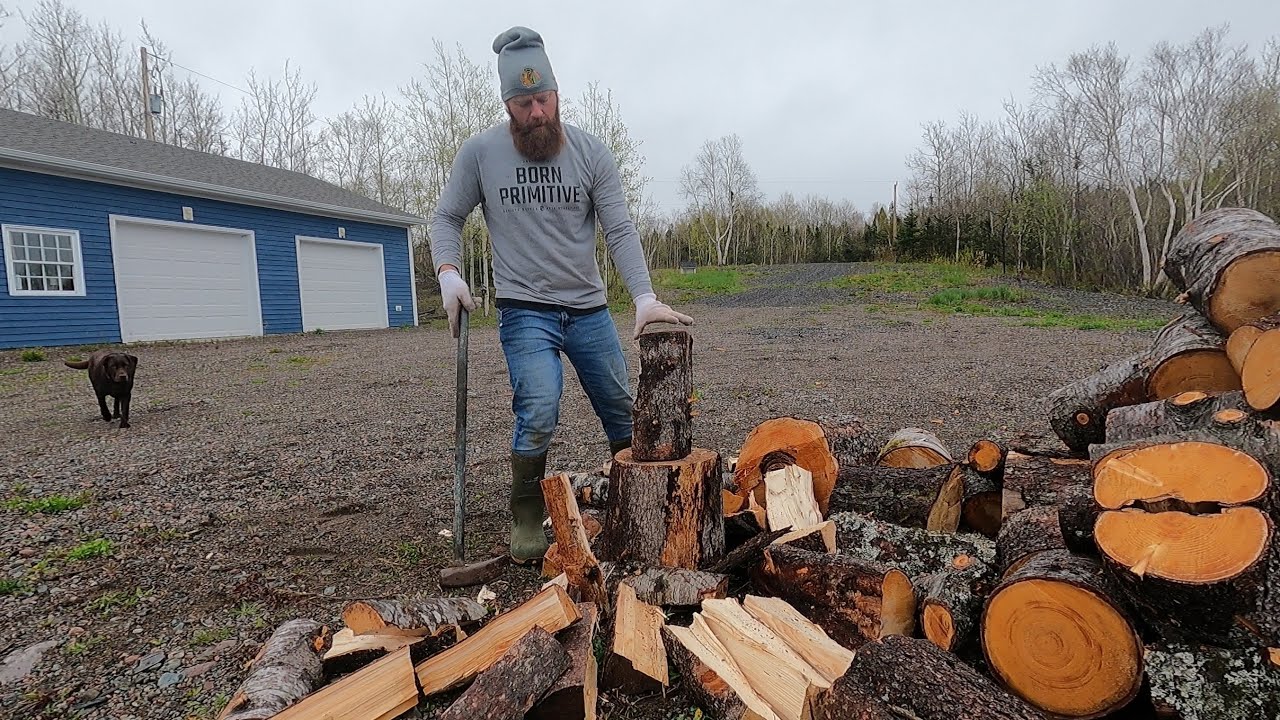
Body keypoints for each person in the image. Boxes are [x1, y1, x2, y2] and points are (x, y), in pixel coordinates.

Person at [427, 26, 693, 564]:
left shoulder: (592, 152)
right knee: (540, 406)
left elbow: (619, 228)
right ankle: (526, 509)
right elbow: (446, 217)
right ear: (507, 103)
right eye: (523, 103)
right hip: (526, 311)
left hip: (589, 309)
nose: (536, 113)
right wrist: (449, 272)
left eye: (543, 99)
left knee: (623, 409)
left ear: (557, 94)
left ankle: (636, 506)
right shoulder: (480, 154)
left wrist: (643, 298)